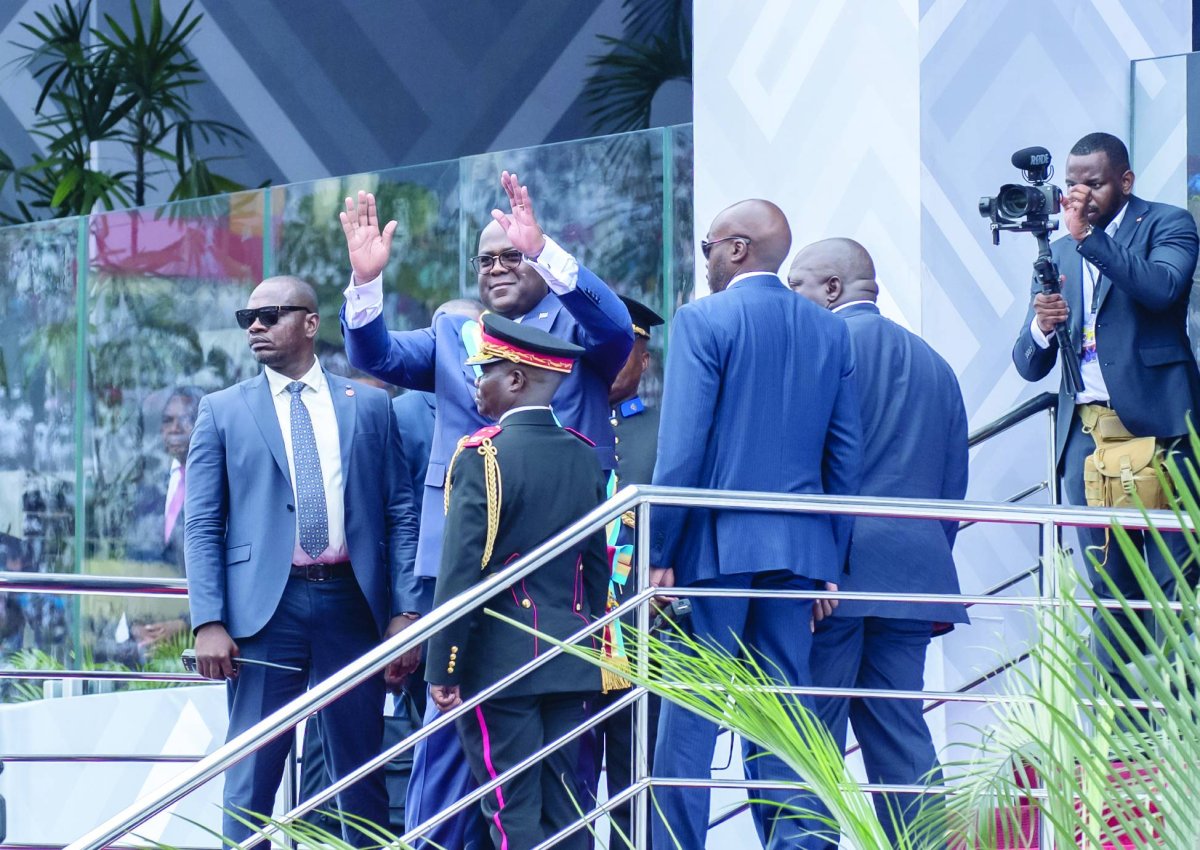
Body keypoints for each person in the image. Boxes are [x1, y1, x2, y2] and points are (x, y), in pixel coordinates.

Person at [339, 172, 632, 848]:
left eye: (512, 255)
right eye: (487, 260)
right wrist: (365, 286)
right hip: (465, 565)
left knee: (560, 761)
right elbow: (375, 355)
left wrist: (549, 251)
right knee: (450, 747)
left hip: (564, 577)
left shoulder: (574, 329)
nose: (498, 268)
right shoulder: (452, 328)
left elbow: (616, 328)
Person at [649, 200, 863, 850]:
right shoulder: (830, 332)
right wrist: (830, 563)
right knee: (784, 715)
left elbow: (682, 448)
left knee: (690, 717)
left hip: (715, 551)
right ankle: (800, 844)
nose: (705, 258)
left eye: (708, 244)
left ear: (737, 249)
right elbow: (845, 457)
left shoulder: (702, 320)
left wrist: (659, 548)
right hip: (798, 553)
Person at [184, 275, 420, 845]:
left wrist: (407, 614)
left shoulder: (369, 406)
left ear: (311, 323)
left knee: (359, 772)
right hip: (265, 611)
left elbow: (400, 512)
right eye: (248, 319)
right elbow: (201, 524)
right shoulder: (221, 411)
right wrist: (208, 620)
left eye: (271, 315)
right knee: (253, 773)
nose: (256, 327)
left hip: (352, 605)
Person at [789, 237, 969, 846]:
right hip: (915, 581)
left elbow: (806, 468)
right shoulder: (936, 364)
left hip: (834, 581)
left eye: (798, 287)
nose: (792, 302)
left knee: (811, 742)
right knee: (902, 741)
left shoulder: (822, 348)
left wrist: (810, 569)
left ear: (833, 289)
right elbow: (952, 488)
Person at [1011, 132, 1200, 681]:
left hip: (1163, 432)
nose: (1081, 194)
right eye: (1073, 183)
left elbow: (1161, 289)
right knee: (1105, 588)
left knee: (1174, 581)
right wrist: (1042, 330)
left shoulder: (1166, 224)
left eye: (1093, 183)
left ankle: (1180, 732)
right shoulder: (1060, 247)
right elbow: (1028, 363)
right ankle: (1121, 739)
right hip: (1087, 440)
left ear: (1125, 181)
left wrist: (1091, 237)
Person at [426, 312, 609, 850]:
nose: (474, 382)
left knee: (510, 809)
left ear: (515, 379)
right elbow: (594, 565)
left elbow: (462, 570)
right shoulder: (582, 453)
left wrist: (445, 663)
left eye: (483, 370)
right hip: (568, 654)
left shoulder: (483, 455)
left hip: (499, 661)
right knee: (565, 806)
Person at [584, 294, 665, 845]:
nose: (613, 366)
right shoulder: (564, 426)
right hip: (574, 625)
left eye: (626, 354)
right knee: (570, 776)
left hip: (648, 629)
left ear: (645, 361)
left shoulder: (667, 430)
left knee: (643, 775)